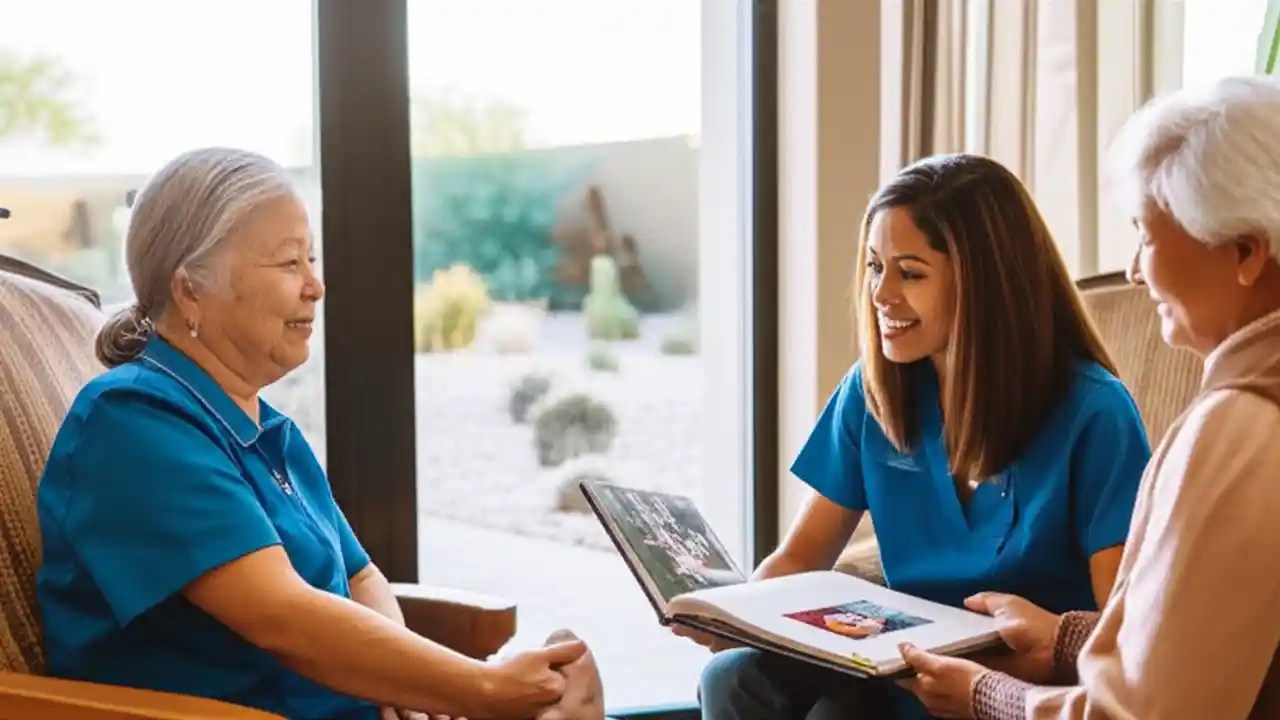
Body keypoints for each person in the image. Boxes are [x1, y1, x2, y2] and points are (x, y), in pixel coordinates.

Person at [35, 147, 603, 720]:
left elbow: (361, 576)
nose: (316, 286)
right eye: (288, 264)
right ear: (190, 289)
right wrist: (481, 690)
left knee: (570, 676)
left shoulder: (268, 431)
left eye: (311, 259)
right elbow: (282, 616)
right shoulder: (132, 421)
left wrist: (407, 695)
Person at [688, 153, 1152, 720]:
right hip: (893, 670)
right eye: (874, 266)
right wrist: (730, 617)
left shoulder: (1095, 413)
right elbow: (800, 558)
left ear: (986, 284)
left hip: (1010, 689)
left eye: (910, 272)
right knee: (733, 676)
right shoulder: (874, 391)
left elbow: (1125, 632)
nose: (881, 295)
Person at [897, 75, 1280, 720]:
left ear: (1245, 252)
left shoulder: (1241, 427)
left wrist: (987, 696)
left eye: (1146, 235)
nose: (1133, 270)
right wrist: (1066, 637)